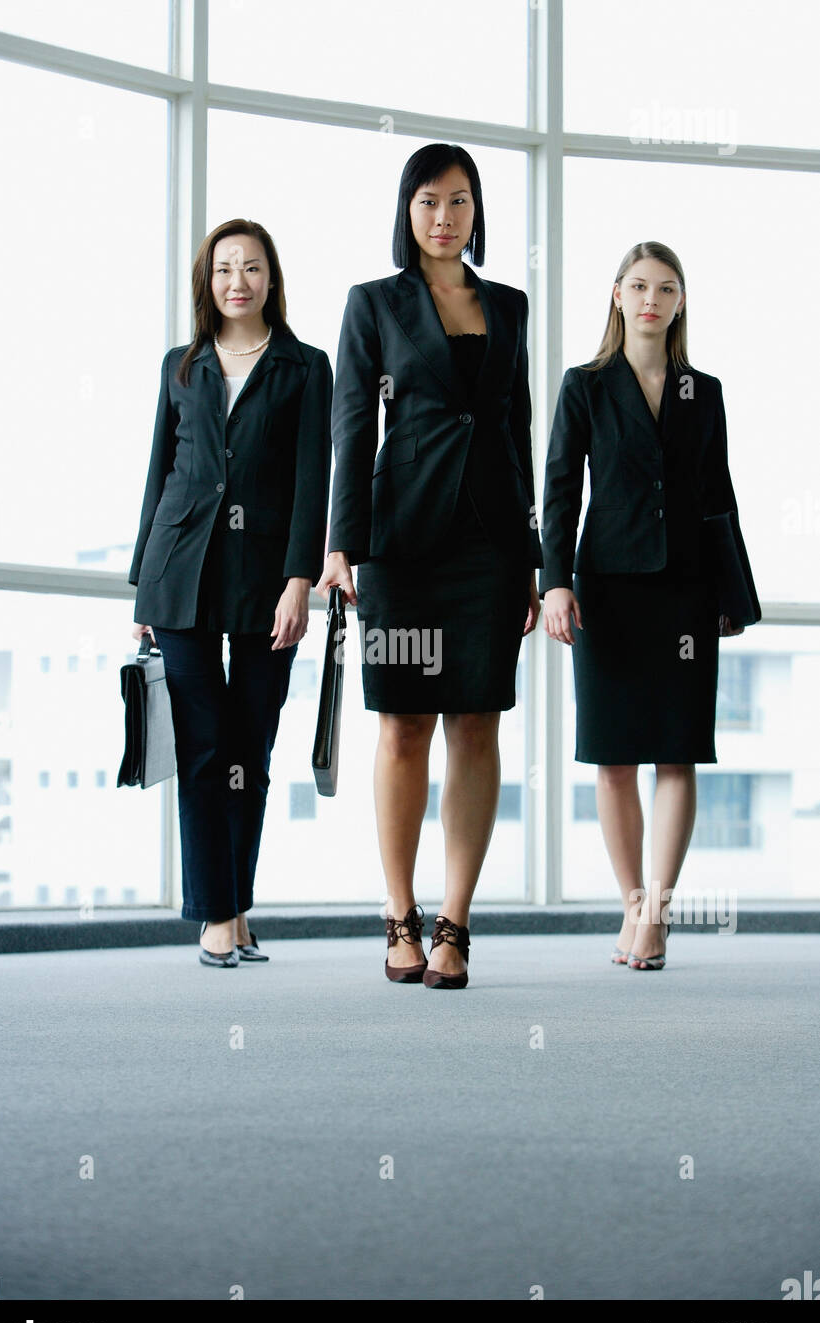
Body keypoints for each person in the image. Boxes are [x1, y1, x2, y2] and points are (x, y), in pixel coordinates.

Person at [317, 144, 542, 989]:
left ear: (477, 212)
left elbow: (519, 429)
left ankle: (455, 923)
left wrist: (530, 557)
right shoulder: (371, 303)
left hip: (487, 548)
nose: (443, 217)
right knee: (404, 723)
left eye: (458, 200)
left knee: (476, 722)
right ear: (405, 212)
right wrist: (344, 544)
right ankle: (399, 916)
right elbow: (350, 426)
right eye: (426, 201)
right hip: (403, 541)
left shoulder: (510, 307)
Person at [129, 218, 332, 967]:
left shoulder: (306, 367)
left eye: (250, 268)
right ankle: (216, 916)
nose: (236, 281)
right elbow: (159, 477)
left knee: (251, 746)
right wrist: (141, 592)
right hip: (177, 571)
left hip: (265, 583)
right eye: (222, 270)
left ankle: (236, 907)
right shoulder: (179, 367)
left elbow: (314, 480)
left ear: (270, 278)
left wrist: (297, 582)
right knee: (204, 748)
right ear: (206, 282)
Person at [539, 241, 744, 971]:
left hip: (687, 589)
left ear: (679, 301)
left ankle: (655, 915)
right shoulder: (584, 385)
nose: (650, 298)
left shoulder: (703, 390)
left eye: (665, 287)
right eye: (637, 285)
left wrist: (731, 591)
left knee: (678, 752)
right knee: (614, 756)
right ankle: (632, 905)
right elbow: (559, 491)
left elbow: (717, 496)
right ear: (616, 296)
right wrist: (553, 582)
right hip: (608, 588)